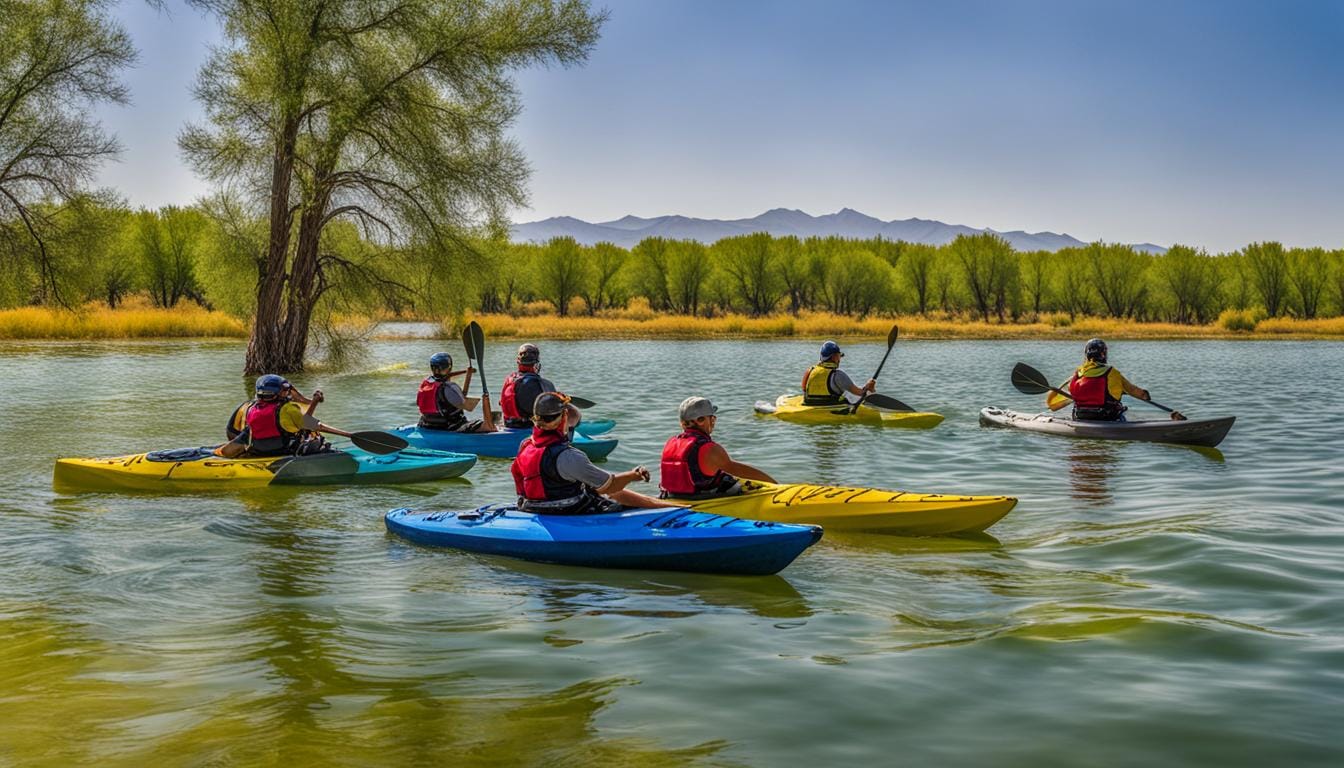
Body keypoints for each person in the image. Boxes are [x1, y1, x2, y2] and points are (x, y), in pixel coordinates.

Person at [511, 392, 667, 514]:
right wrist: (633, 475)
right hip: (567, 510)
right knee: (609, 495)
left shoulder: (525, 445)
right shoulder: (569, 456)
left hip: (532, 507)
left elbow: (518, 477)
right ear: (564, 418)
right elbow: (610, 486)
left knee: (594, 489)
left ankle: (661, 504)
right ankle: (664, 507)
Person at [659, 396, 775, 500]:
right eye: (712, 418)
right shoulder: (709, 449)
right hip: (701, 499)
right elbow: (738, 470)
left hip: (672, 497)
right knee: (734, 483)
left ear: (682, 423)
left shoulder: (670, 443)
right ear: (702, 420)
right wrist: (775, 484)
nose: (713, 422)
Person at [1047, 338, 1178, 421]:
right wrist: (1145, 395)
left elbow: (1059, 401)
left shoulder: (1078, 373)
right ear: (1104, 354)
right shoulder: (1112, 372)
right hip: (1108, 417)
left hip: (1081, 416)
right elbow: (1134, 391)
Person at [216, 374, 328, 458]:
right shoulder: (279, 408)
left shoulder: (259, 406)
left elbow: (304, 421)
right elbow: (306, 423)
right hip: (242, 435)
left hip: (256, 439)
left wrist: (314, 402)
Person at [225, 377, 319, 441]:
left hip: (257, 442)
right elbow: (308, 423)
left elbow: (305, 421)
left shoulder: (251, 406)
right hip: (245, 439)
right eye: (285, 390)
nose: (288, 393)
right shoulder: (283, 408)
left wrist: (314, 402)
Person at [417, 352, 490, 432]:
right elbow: (467, 406)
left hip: (427, 424)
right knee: (486, 425)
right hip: (449, 426)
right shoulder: (450, 387)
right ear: (449, 367)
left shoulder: (426, 383)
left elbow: (444, 376)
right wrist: (485, 399)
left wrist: (467, 372)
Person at [499, 343, 557, 429]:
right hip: (527, 426)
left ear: (518, 361)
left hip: (509, 424)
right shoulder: (545, 384)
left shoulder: (510, 379)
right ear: (536, 362)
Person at [801, 340, 876, 405]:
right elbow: (861, 393)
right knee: (862, 394)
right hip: (831, 407)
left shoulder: (809, 371)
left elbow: (804, 390)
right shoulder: (838, 375)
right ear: (834, 357)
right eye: (839, 356)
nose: (840, 359)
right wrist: (869, 387)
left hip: (810, 404)